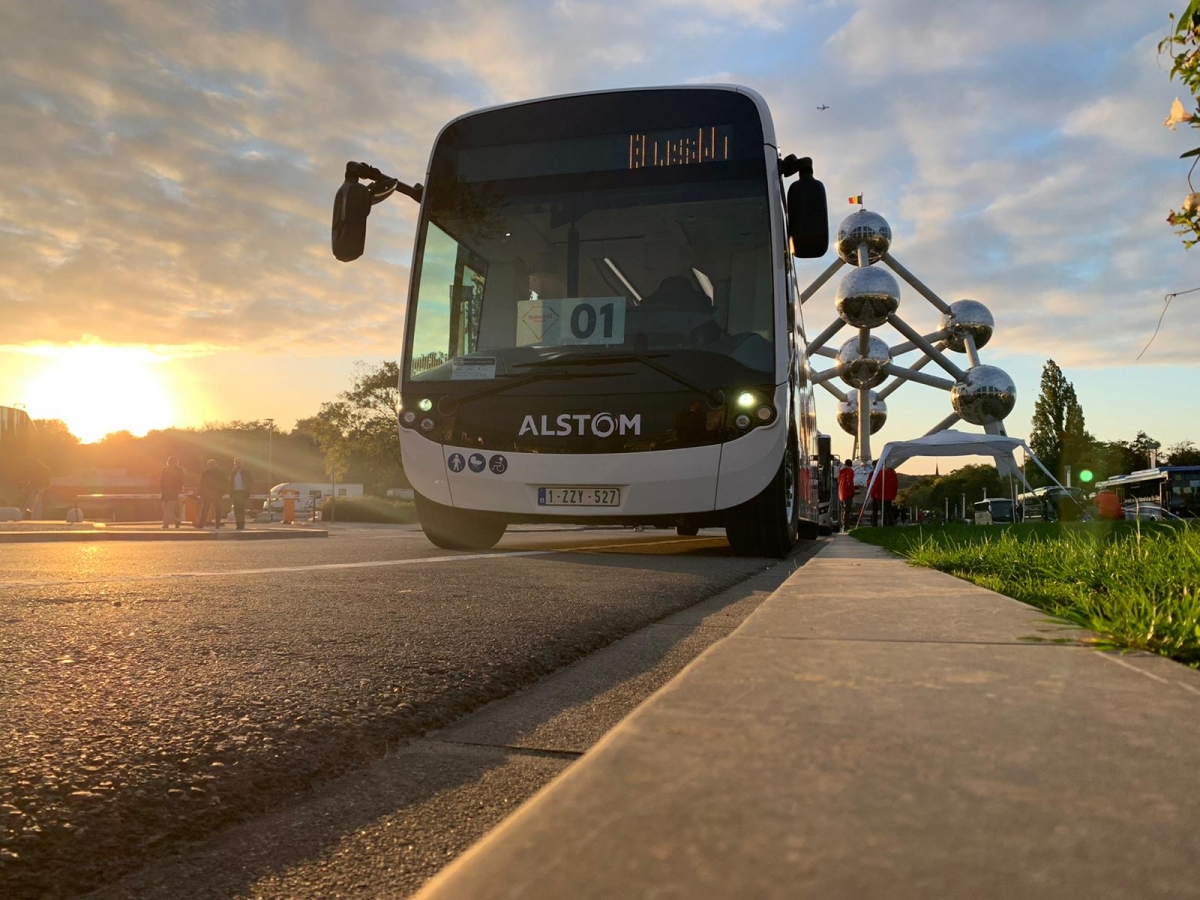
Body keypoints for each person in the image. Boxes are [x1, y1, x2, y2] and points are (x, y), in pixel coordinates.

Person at [195, 459, 225, 529]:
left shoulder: (219, 473)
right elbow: (202, 483)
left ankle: (215, 524)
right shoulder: (206, 472)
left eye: (212, 465)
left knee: (215, 509)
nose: (211, 466)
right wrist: (201, 493)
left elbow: (224, 483)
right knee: (207, 509)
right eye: (210, 465)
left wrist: (221, 492)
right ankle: (202, 524)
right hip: (209, 494)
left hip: (215, 494)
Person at [159, 456, 184, 530]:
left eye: (175, 462)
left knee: (169, 509)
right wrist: (161, 489)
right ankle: (176, 521)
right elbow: (161, 479)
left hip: (173, 491)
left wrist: (179, 489)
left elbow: (181, 480)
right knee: (165, 508)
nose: (174, 463)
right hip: (165, 491)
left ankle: (165, 524)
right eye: (172, 462)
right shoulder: (165, 470)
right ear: (169, 462)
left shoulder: (179, 470)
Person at [229, 457, 254, 530]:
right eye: (236, 463)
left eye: (239, 463)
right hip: (235, 492)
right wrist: (231, 491)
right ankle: (238, 524)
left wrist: (247, 490)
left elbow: (251, 481)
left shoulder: (246, 472)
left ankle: (242, 524)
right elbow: (230, 483)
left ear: (242, 463)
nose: (237, 465)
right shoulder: (233, 472)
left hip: (242, 492)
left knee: (241, 509)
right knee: (236, 509)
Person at [837, 460, 856, 532]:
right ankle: (846, 526)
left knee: (843, 510)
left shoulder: (840, 472)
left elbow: (838, 481)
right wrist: (852, 491)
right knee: (847, 510)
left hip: (841, 493)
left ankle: (843, 524)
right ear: (851, 464)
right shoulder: (849, 471)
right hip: (847, 493)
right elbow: (849, 482)